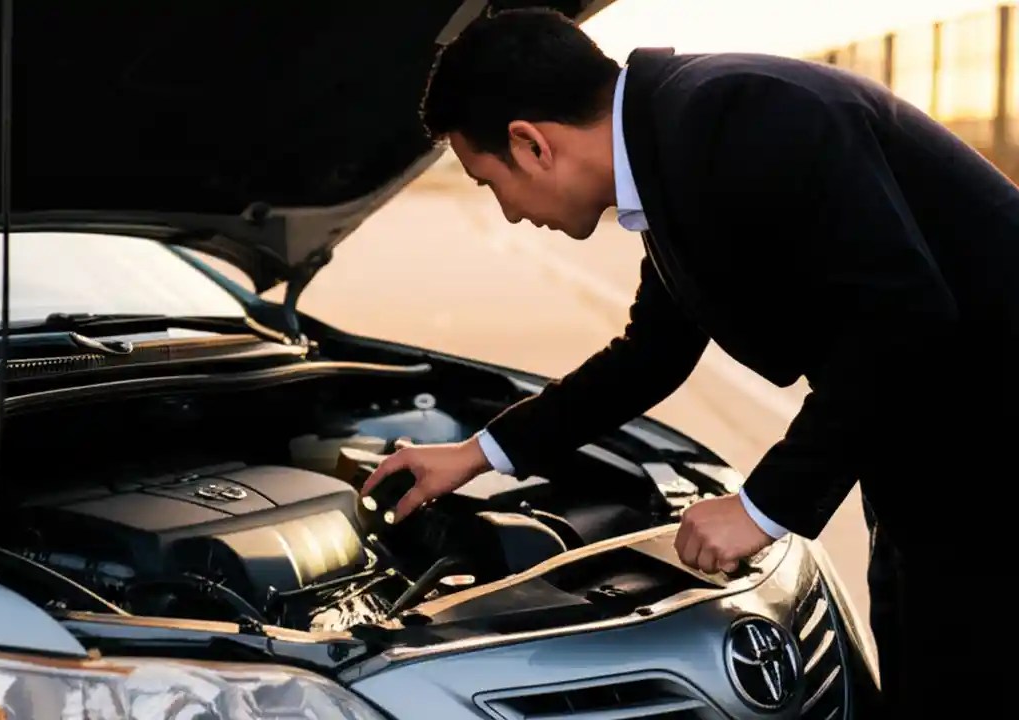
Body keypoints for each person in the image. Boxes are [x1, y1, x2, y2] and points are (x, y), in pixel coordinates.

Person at [360, 7, 1018, 717]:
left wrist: (761, 508)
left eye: (492, 185)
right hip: (933, 452)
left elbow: (902, 316)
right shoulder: (676, 141)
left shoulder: (738, 115)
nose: (513, 216)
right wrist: (477, 454)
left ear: (531, 144)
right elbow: (652, 354)